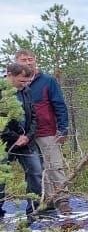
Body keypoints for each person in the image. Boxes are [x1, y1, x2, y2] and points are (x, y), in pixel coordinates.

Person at [14, 50, 70, 213]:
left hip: (47, 131)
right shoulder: (14, 83)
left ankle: (62, 200)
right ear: (16, 62)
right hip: (23, 135)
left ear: (36, 60)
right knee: (36, 170)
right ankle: (46, 200)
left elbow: (59, 104)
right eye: (23, 60)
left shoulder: (47, 81)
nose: (28, 62)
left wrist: (63, 128)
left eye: (30, 59)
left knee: (54, 165)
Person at [0, 62, 43, 216]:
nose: (25, 84)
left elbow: (33, 117)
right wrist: (15, 137)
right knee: (1, 178)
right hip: (4, 143)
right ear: (10, 75)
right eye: (21, 80)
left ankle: (34, 210)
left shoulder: (26, 91)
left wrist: (27, 136)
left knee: (36, 172)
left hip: (26, 142)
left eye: (27, 81)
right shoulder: (2, 92)